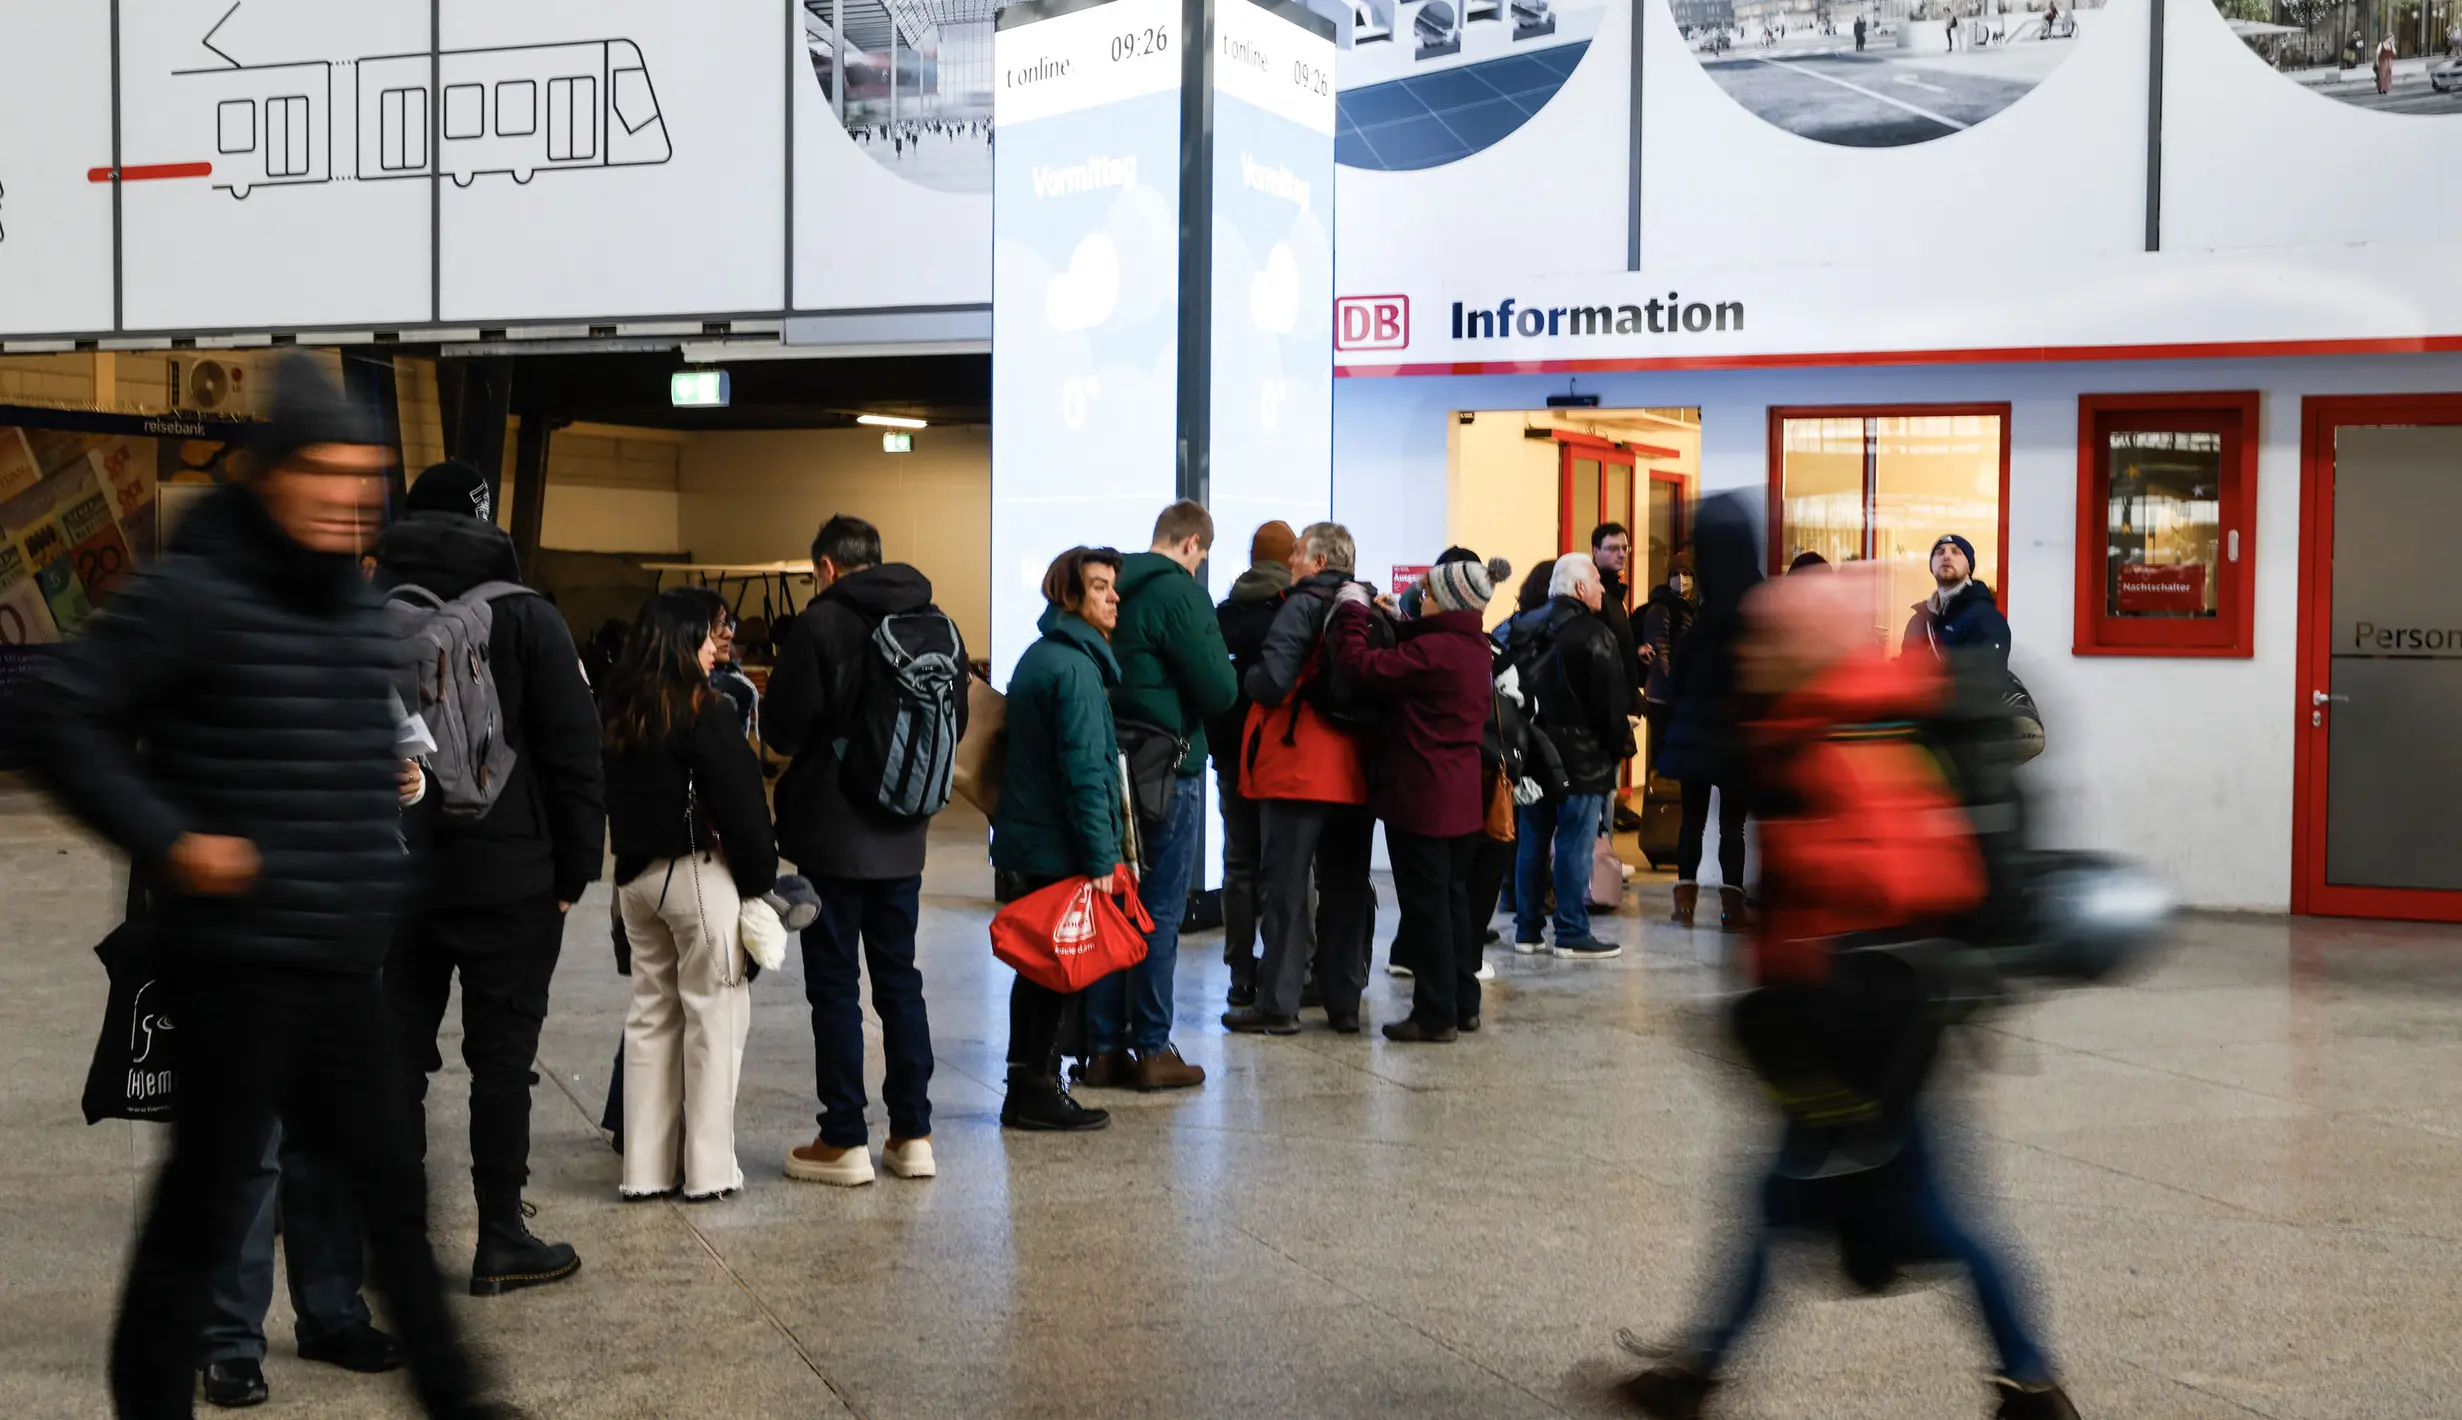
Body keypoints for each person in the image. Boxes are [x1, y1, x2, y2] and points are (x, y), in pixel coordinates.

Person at [11, 353, 504, 1419]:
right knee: (204, 1215)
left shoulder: (352, 605)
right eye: (325, 469)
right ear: (270, 475)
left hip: (345, 968)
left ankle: (462, 1403)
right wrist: (175, 837)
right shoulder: (194, 592)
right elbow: (56, 717)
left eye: (364, 471)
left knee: (398, 1213)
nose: (349, 493)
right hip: (235, 967)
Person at [1618, 565, 2079, 1420]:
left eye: (1772, 643)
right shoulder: (1849, 722)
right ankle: (2027, 1379)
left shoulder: (1846, 739)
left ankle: (2029, 1381)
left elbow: (1888, 876)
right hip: (1877, 1019)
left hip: (1860, 1029)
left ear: (1807, 647)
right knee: (1816, 1202)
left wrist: (1798, 958)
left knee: (1884, 1212)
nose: (1757, 658)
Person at [375, 458, 604, 1298]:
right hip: (512, 876)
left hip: (394, 874)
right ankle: (500, 1236)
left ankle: (388, 1240)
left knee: (396, 1058)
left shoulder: (367, 612)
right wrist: (577, 869)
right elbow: (576, 751)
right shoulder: (529, 618)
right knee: (502, 1061)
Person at [765, 514, 967, 1186]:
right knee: (900, 980)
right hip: (904, 836)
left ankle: (844, 1138)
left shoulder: (820, 623)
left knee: (834, 988)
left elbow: (785, 731)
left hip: (831, 835)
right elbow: (956, 721)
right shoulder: (935, 620)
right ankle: (914, 1135)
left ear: (825, 567)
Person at [602, 590, 779, 1202]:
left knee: (651, 1019)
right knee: (715, 1017)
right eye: (706, 635)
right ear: (681, 639)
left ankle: (645, 1172)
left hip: (635, 883)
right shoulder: (706, 711)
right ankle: (708, 1171)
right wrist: (761, 884)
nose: (714, 647)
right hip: (696, 878)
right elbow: (745, 808)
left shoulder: (621, 707)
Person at [1083, 501, 1237, 1090]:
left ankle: (1101, 1049)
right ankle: (1150, 1048)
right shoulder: (1180, 593)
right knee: (1160, 909)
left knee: (1111, 900)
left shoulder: (1113, 585)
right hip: (1170, 767)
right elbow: (1220, 690)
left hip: (1109, 763)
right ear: (1193, 545)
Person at [991, 547, 1133, 1131]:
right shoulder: (1073, 669)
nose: (1113, 596)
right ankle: (1039, 1089)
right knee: (1057, 971)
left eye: (1112, 586)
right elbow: (1084, 772)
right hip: (1058, 847)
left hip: (1036, 838)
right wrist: (1103, 858)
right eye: (1099, 586)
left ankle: (1025, 1084)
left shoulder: (1049, 656)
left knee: (1039, 971)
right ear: (1071, 597)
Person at [1328, 556, 1498, 1041]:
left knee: (1427, 909)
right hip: (1460, 798)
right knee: (1453, 902)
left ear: (1446, 601)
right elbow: (1426, 651)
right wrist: (1402, 622)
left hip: (1423, 797)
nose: (1418, 597)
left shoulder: (1439, 651)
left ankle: (1434, 1014)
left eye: (1427, 593)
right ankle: (1464, 1004)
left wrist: (1353, 612)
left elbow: (1363, 667)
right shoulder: (1471, 646)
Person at [1222, 522, 1374, 1036]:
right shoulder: (1365, 609)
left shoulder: (1303, 604)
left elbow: (1271, 684)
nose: (1290, 562)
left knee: (1286, 891)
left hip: (1298, 768)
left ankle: (1279, 1004)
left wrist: (1244, 675)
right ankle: (1344, 1003)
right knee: (1346, 890)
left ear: (1318, 561)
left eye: (1297, 554)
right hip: (1354, 772)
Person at [1502, 553, 1633, 959]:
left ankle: (1527, 931)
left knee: (1532, 841)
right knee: (1575, 844)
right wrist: (1618, 751)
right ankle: (1572, 931)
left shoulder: (1517, 627)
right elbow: (1611, 707)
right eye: (1596, 580)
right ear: (1579, 588)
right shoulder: (1595, 634)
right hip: (1582, 757)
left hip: (1531, 753)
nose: (1601, 588)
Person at [1659, 501, 1762, 932]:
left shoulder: (1697, 630)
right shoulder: (1754, 629)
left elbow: (1676, 683)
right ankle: (1731, 910)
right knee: (1732, 828)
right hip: (1736, 740)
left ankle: (1684, 906)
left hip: (1694, 736)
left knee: (1693, 822)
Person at [1210, 520, 1297, 1009]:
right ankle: (1287, 971)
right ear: (1290, 561)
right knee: (1285, 869)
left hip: (1230, 757)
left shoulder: (1223, 613)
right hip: (1282, 758)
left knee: (1238, 865)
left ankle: (1240, 973)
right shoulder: (1294, 614)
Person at [1899, 533, 2010, 670]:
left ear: (1969, 566)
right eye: (1939, 552)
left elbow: (1986, 681)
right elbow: (1905, 670)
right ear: (1931, 567)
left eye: (1956, 552)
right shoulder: (1919, 621)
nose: (1946, 556)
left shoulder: (1985, 617)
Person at [1640, 551, 1695, 731]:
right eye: (1675, 574)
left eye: (1686, 573)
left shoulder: (1691, 608)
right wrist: (1674, 688)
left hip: (1680, 694)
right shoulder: (1661, 608)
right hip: (1663, 696)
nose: (1681, 578)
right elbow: (1659, 652)